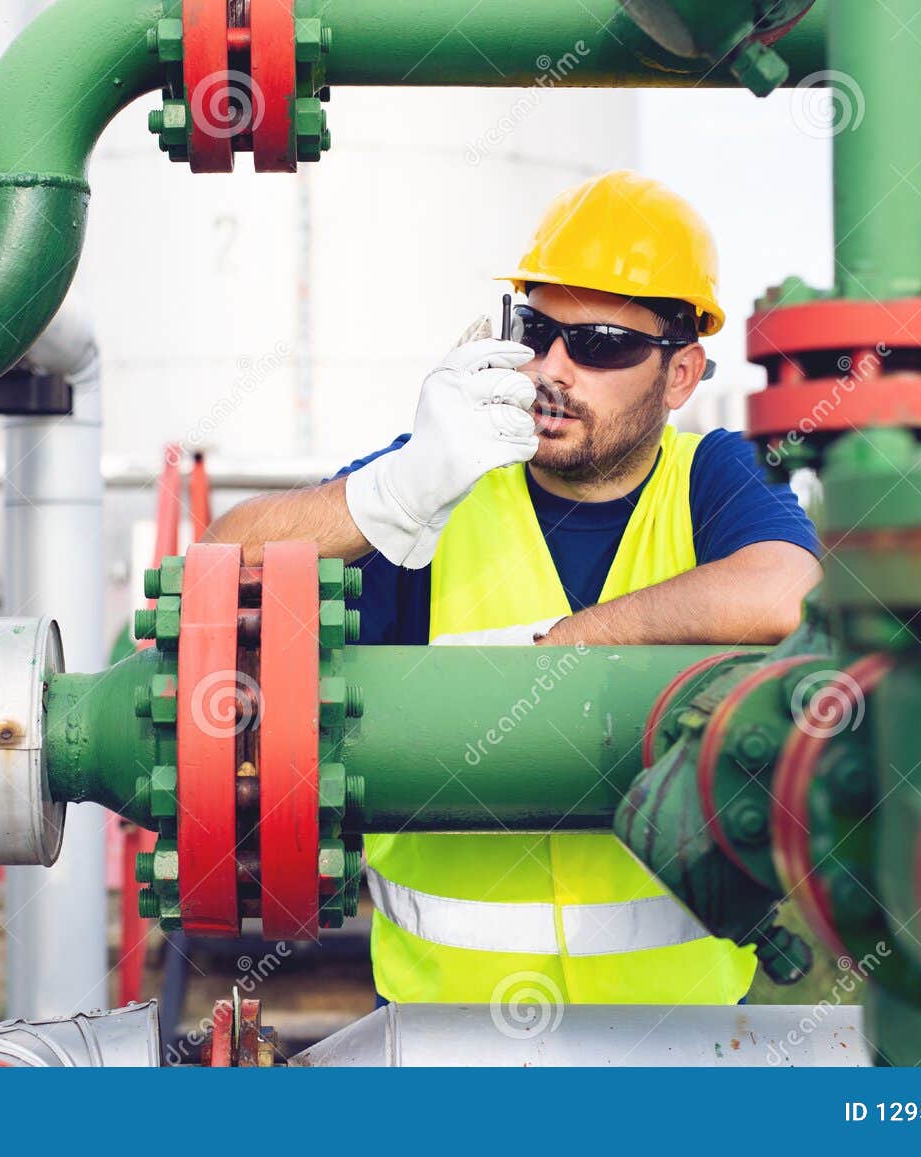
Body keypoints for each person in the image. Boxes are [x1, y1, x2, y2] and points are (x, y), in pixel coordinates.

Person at [207, 170, 822, 1006]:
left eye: (602, 342)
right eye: (535, 329)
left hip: (679, 1052)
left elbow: (785, 592)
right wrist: (389, 493)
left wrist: (571, 642)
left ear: (681, 376)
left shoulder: (712, 476)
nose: (554, 368)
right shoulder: (438, 478)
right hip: (447, 1056)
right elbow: (223, 558)